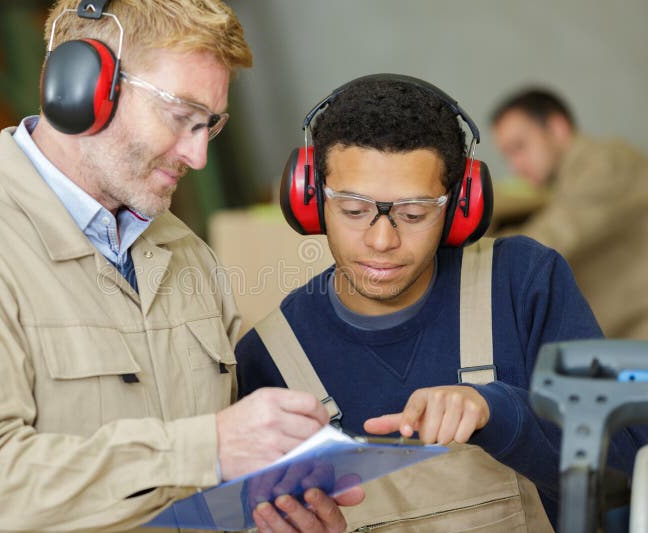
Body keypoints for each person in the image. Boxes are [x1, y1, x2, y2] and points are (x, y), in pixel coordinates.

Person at [0, 1, 362, 531]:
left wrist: (274, 507)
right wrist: (204, 448)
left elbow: (232, 464)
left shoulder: (184, 251)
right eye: (180, 117)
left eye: (208, 127)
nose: (197, 157)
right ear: (83, 90)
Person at [235, 75, 647, 531]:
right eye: (353, 210)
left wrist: (501, 411)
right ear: (309, 199)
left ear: (459, 207)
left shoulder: (523, 283)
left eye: (414, 214)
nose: (381, 240)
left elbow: (626, 467)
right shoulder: (269, 355)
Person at [491, 88, 648, 340]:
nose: (516, 166)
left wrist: (470, 251)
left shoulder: (606, 165)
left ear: (557, 127)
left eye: (519, 146)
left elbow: (540, 245)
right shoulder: (566, 179)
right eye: (508, 155)